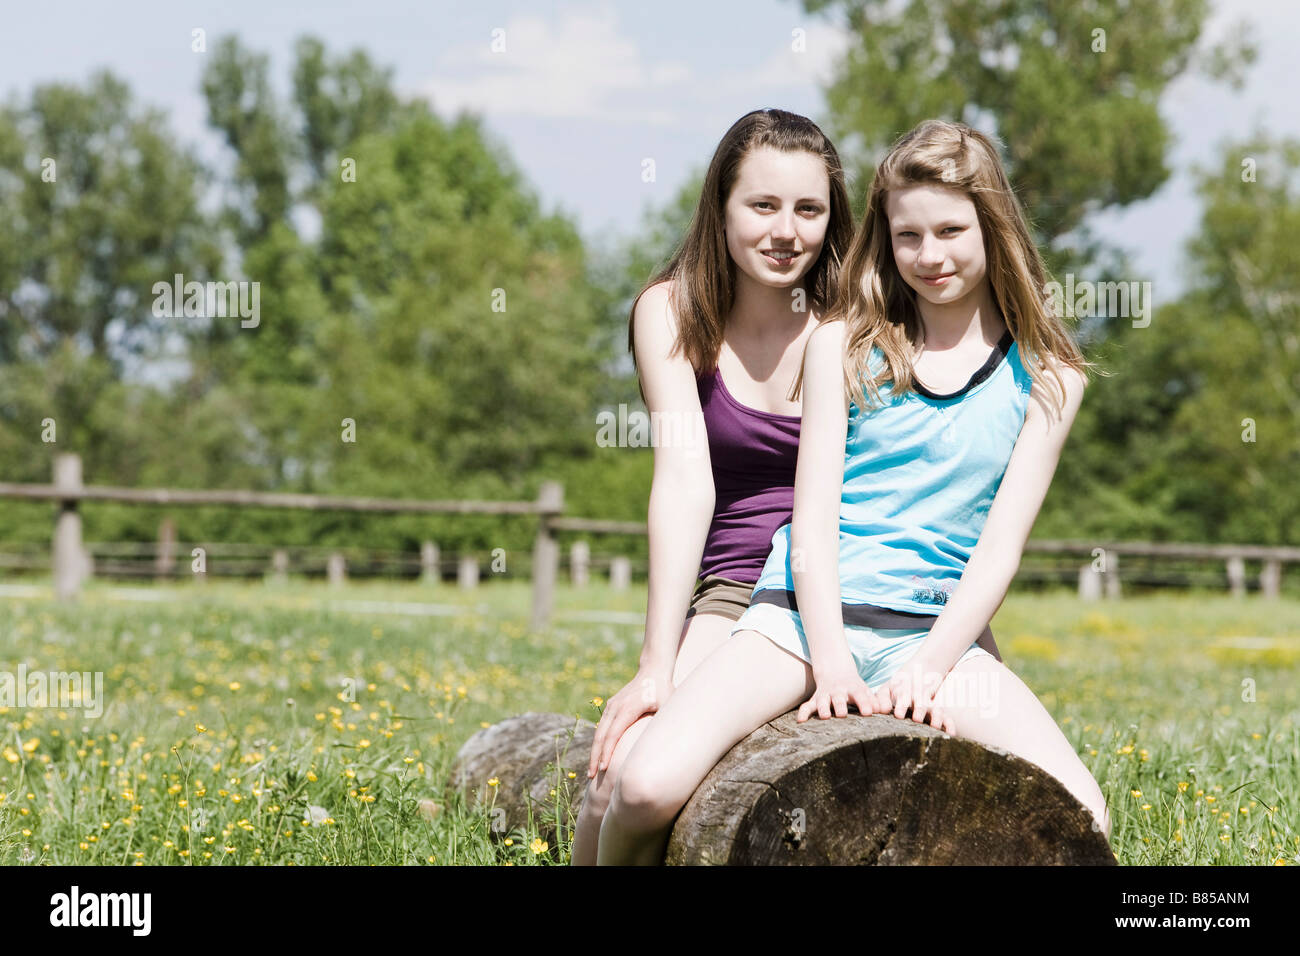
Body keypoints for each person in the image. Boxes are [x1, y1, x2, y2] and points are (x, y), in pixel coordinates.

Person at [595, 119, 1109, 866]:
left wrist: (934, 666)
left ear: (992, 226)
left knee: (1080, 811)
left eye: (951, 230)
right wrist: (829, 661)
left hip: (931, 633)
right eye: (908, 236)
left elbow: (999, 548)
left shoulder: (1053, 379)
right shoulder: (848, 342)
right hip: (797, 619)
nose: (930, 255)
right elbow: (798, 521)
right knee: (638, 786)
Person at [573, 108, 867, 866]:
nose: (786, 230)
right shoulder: (669, 313)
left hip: (850, 579)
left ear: (833, 217)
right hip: (740, 589)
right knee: (619, 784)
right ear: (721, 207)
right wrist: (655, 664)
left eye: (809, 209)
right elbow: (683, 485)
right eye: (762, 205)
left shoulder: (858, 320)